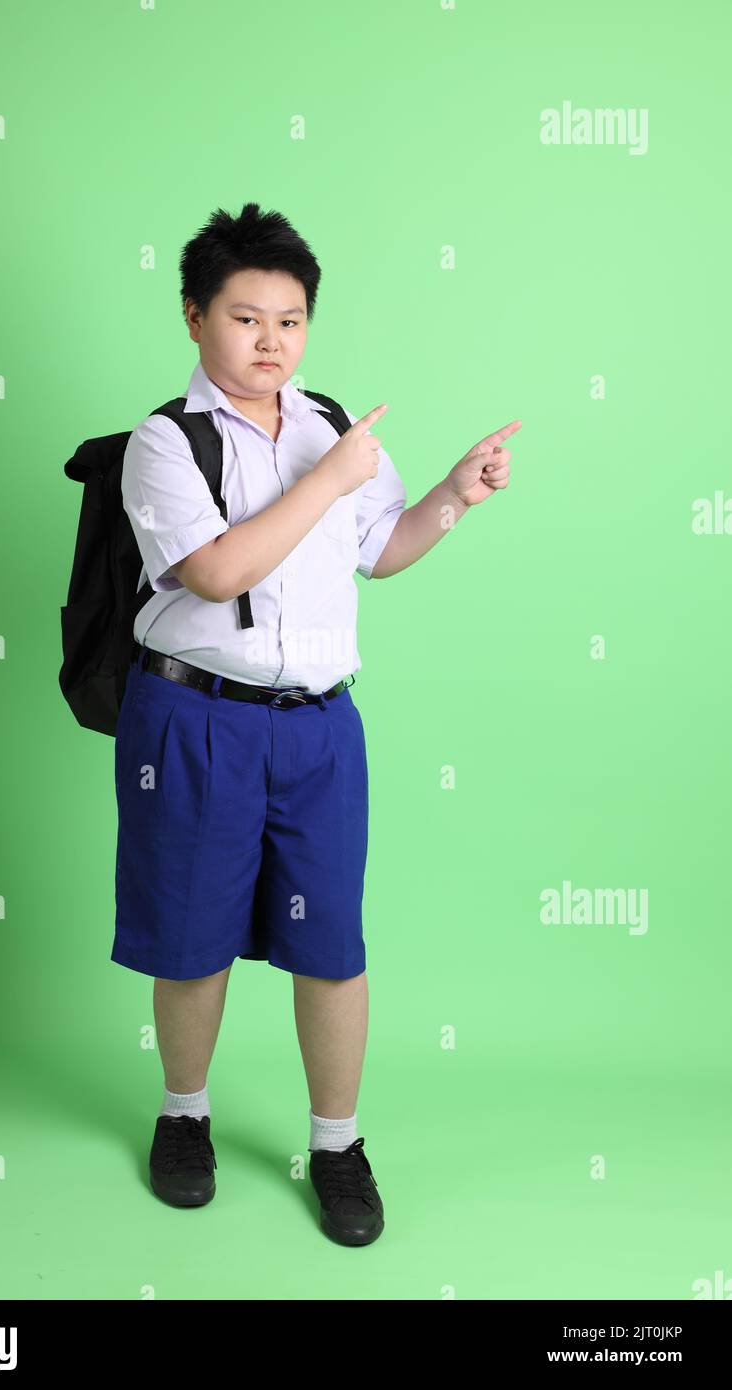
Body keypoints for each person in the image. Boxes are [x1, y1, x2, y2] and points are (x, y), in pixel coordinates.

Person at [112, 201, 521, 1246]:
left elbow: (376, 546)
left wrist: (450, 495)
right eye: (245, 318)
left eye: (289, 321)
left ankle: (336, 1144)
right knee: (192, 936)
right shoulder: (165, 441)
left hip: (318, 727)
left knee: (329, 941)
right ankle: (183, 1117)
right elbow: (214, 572)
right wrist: (327, 478)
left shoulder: (328, 421)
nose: (269, 342)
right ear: (194, 317)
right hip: (195, 717)